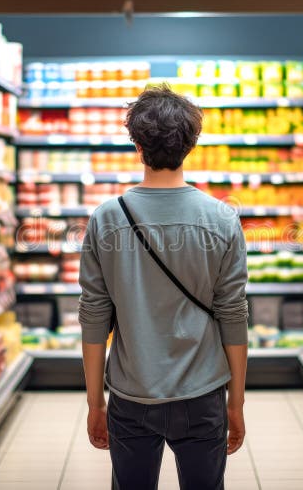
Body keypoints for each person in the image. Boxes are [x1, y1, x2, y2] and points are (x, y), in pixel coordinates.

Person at [78, 84, 249, 490]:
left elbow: (94, 317)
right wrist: (236, 403)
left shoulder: (106, 219)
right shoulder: (222, 218)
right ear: (191, 145)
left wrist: (95, 402)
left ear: (137, 146)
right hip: (203, 393)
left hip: (131, 394)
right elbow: (233, 315)